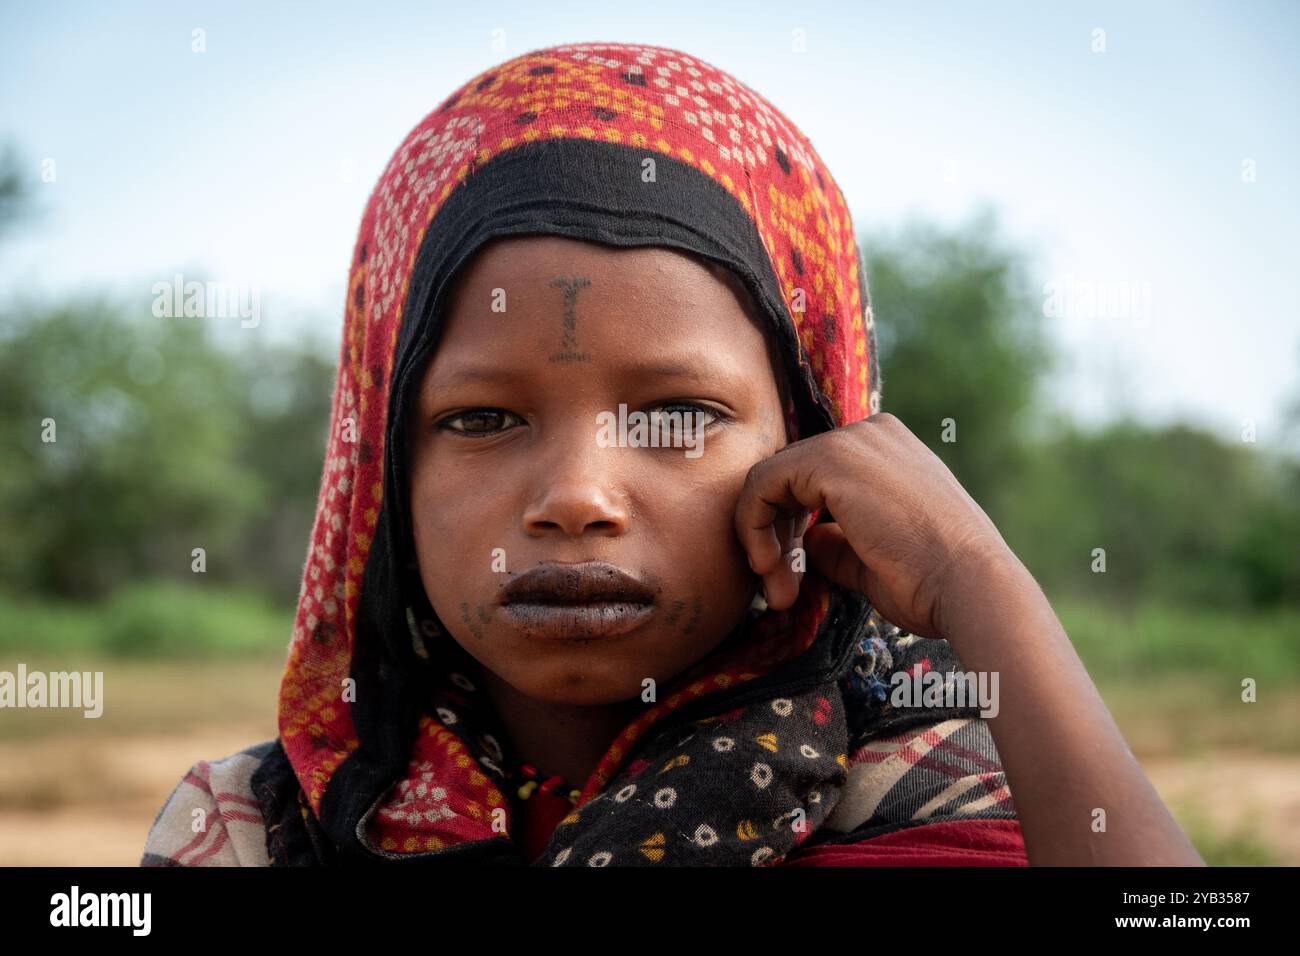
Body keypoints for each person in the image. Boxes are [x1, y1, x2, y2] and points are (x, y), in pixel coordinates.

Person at [140, 40, 1203, 867]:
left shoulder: (923, 786)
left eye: (676, 414)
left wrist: (979, 582)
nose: (575, 496)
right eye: (480, 419)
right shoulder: (261, 827)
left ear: (812, 451)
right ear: (381, 475)